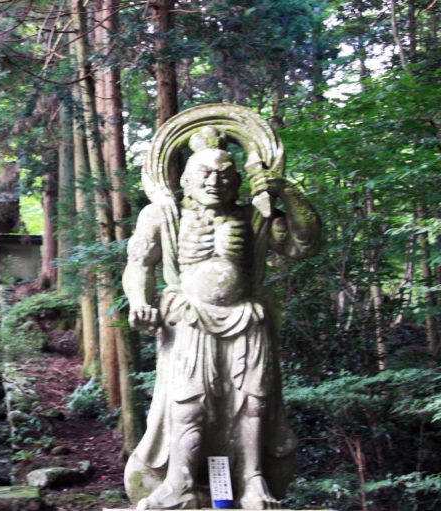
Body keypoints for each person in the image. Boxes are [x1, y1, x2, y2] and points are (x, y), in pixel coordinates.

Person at [122, 126, 322, 509]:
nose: (215, 182)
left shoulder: (255, 217)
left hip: (246, 317)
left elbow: (306, 244)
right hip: (189, 316)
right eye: (205, 175)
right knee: (188, 400)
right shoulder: (163, 214)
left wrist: (285, 190)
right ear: (185, 180)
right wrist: (138, 300)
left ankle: (253, 482)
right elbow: (138, 264)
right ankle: (180, 481)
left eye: (225, 175)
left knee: (254, 401)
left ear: (238, 181)